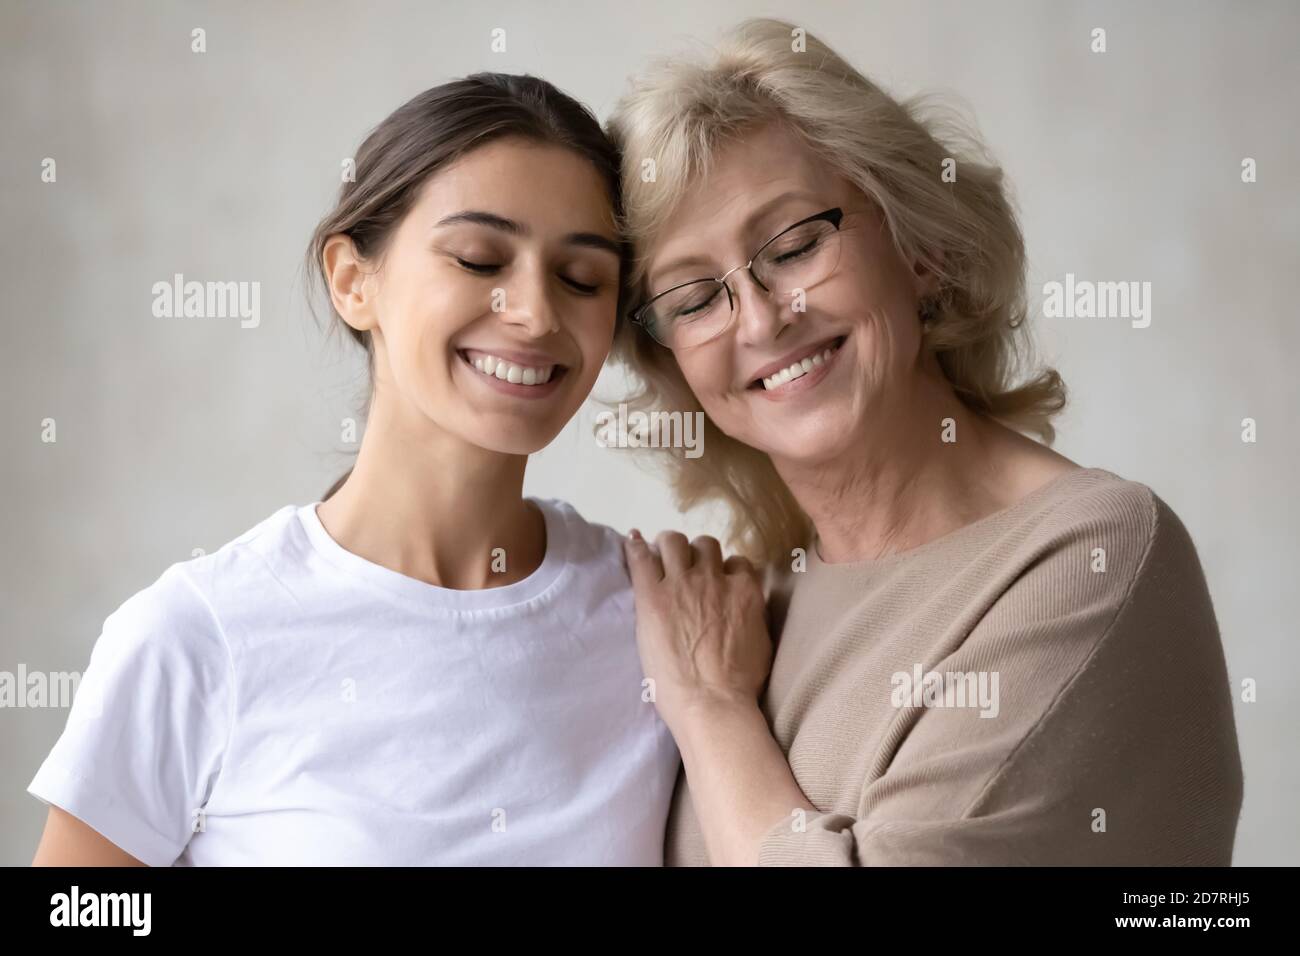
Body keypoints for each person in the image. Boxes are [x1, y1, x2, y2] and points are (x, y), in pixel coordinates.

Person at [608, 18, 1243, 866]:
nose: (760, 319)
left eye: (794, 246)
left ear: (918, 249)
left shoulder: (1092, 553)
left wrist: (715, 713)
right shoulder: (737, 607)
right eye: (692, 300)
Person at [29, 74, 679, 866]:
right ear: (352, 280)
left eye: (583, 279)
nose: (536, 313)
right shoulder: (197, 636)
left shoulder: (660, 617)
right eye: (479, 259)